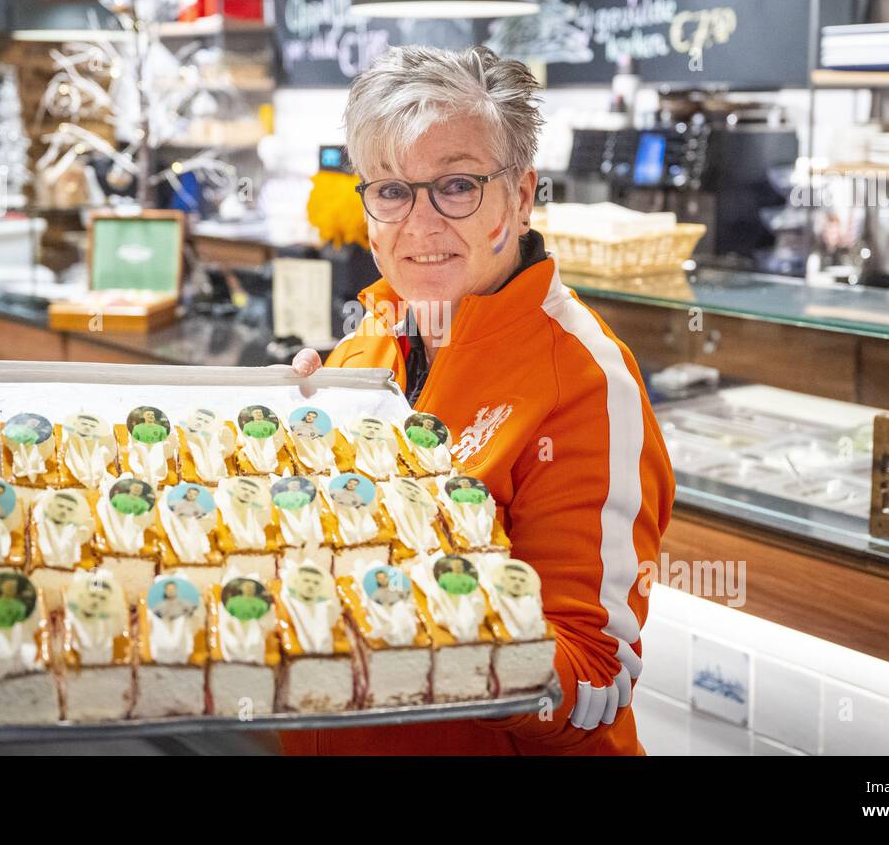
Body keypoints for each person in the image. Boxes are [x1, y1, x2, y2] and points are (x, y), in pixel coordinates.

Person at [288, 45, 674, 756]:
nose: (421, 223)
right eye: (391, 189)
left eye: (457, 186)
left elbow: (594, 680)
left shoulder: (587, 382)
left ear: (521, 197)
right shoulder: (364, 348)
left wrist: (428, 615)